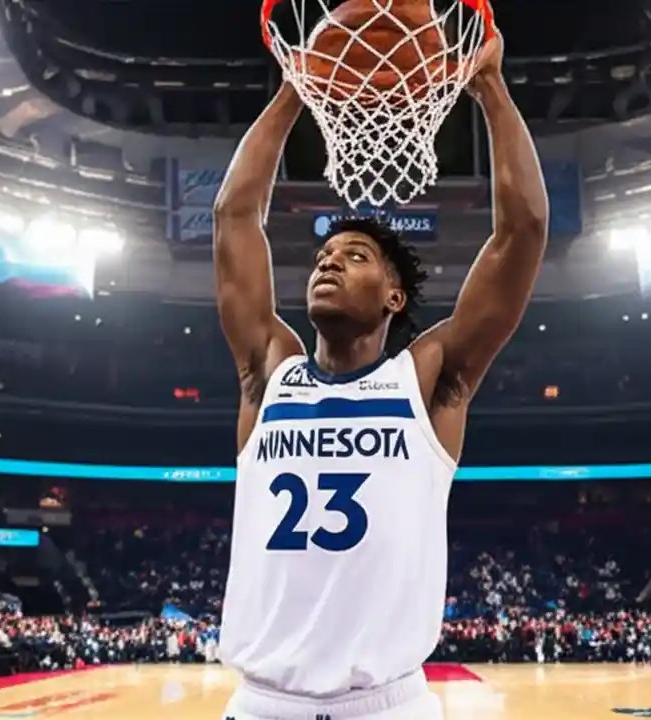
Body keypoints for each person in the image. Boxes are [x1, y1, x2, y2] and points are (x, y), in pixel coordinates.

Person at [213, 27, 549, 720]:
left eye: (356, 254)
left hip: (385, 706)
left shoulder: (427, 379)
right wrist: (290, 93)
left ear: (395, 297)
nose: (328, 261)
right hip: (260, 704)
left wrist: (488, 85)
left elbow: (523, 232)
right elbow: (232, 217)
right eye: (325, 253)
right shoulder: (268, 371)